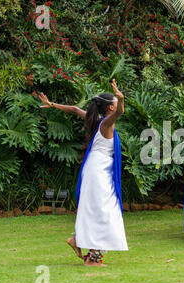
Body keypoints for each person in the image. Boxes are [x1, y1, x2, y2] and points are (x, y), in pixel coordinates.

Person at [38, 79, 127, 266]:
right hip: (98, 171)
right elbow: (120, 112)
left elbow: (73, 109)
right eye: (115, 103)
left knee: (100, 210)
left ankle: (78, 240)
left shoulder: (97, 121)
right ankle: (92, 259)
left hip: (97, 169)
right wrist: (122, 99)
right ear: (110, 108)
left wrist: (52, 104)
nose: (117, 106)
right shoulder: (106, 124)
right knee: (105, 212)